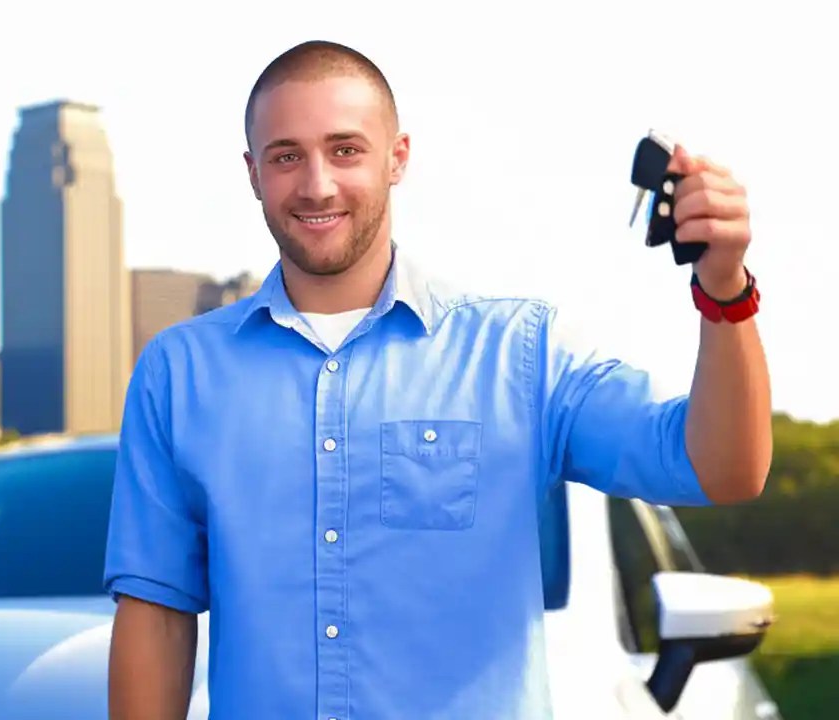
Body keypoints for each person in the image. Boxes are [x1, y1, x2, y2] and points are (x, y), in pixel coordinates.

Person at [102, 39, 772, 720]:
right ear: (252, 172)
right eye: (285, 156)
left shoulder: (522, 353)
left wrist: (725, 289)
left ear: (398, 157)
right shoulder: (178, 373)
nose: (316, 184)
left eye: (345, 149)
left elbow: (723, 469)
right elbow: (156, 614)